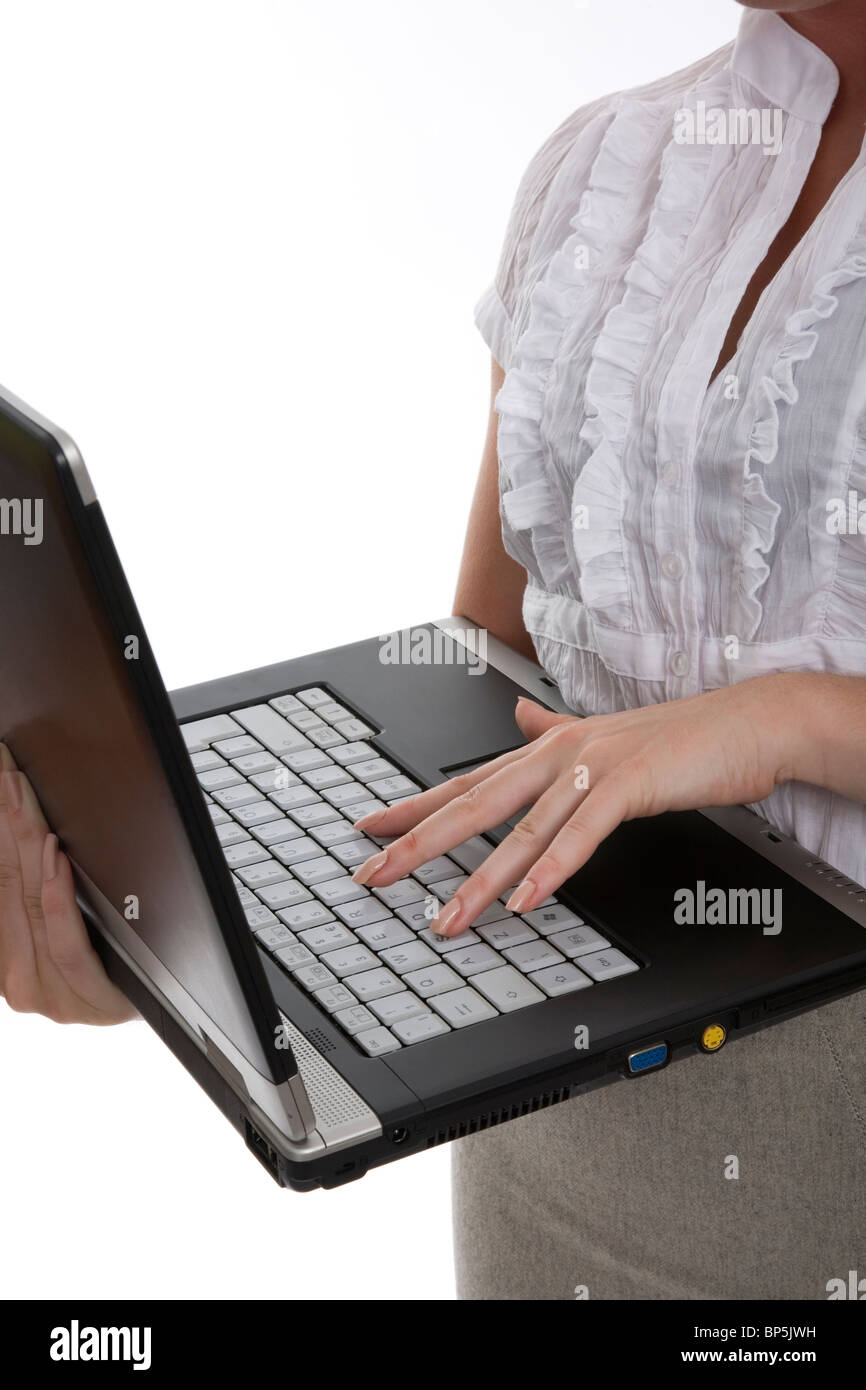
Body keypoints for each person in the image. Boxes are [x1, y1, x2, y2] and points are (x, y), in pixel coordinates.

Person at [2, 0, 865, 1299]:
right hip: (542, 1100)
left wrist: (784, 716)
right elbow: (480, 672)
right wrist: (205, 947)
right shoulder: (600, 170)